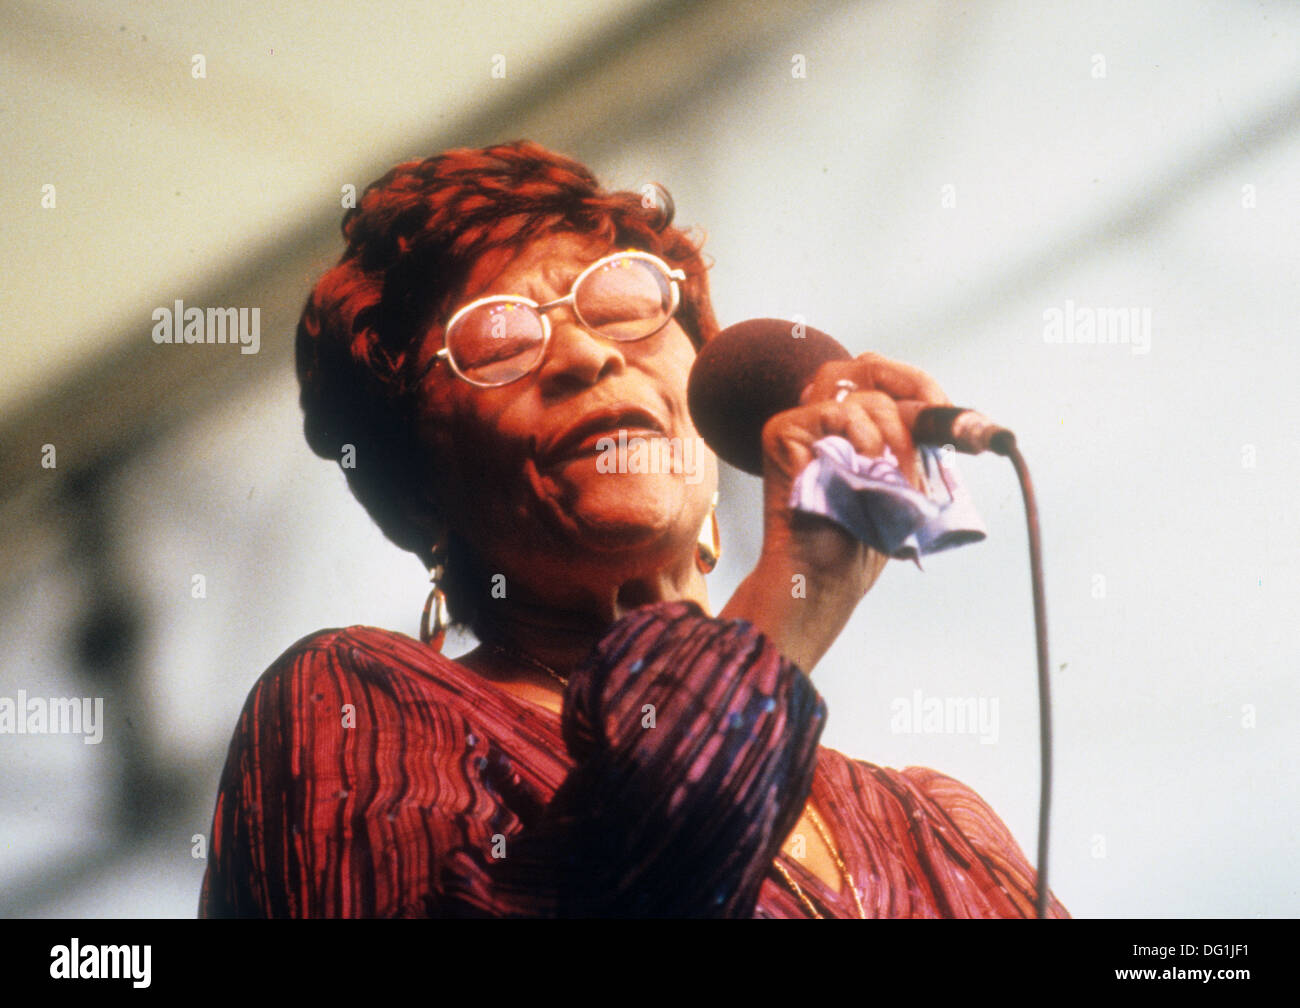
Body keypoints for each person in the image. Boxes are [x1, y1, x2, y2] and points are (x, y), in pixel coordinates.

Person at [199, 140, 1068, 918]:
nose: (584, 353)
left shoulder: (942, 832)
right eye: (497, 340)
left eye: (622, 302)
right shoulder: (343, 705)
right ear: (420, 487)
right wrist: (793, 603)